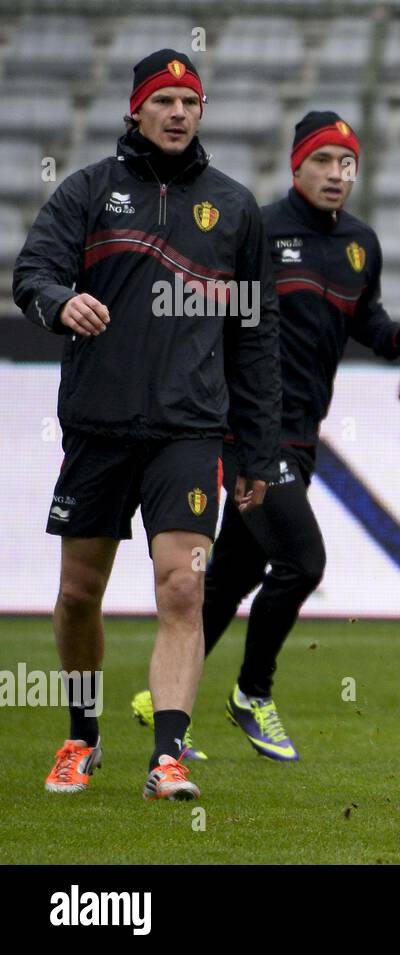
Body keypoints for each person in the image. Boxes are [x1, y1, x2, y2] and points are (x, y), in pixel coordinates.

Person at [13, 50, 282, 800]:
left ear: (201, 113)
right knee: (77, 594)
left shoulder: (233, 208)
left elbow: (255, 335)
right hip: (99, 427)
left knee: (183, 591)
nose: (176, 112)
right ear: (135, 110)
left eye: (188, 102)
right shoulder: (89, 192)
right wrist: (60, 302)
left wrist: (258, 444)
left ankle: (167, 755)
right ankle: (82, 734)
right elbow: (31, 273)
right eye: (162, 100)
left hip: (189, 433)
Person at [129, 112, 400, 761]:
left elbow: (365, 318)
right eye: (324, 161)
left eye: (347, 163)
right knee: (303, 561)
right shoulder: (257, 229)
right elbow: (208, 315)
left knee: (233, 574)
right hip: (247, 431)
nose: (336, 174)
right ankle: (251, 692)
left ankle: (165, 704)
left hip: (303, 436)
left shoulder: (359, 244)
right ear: (297, 165)